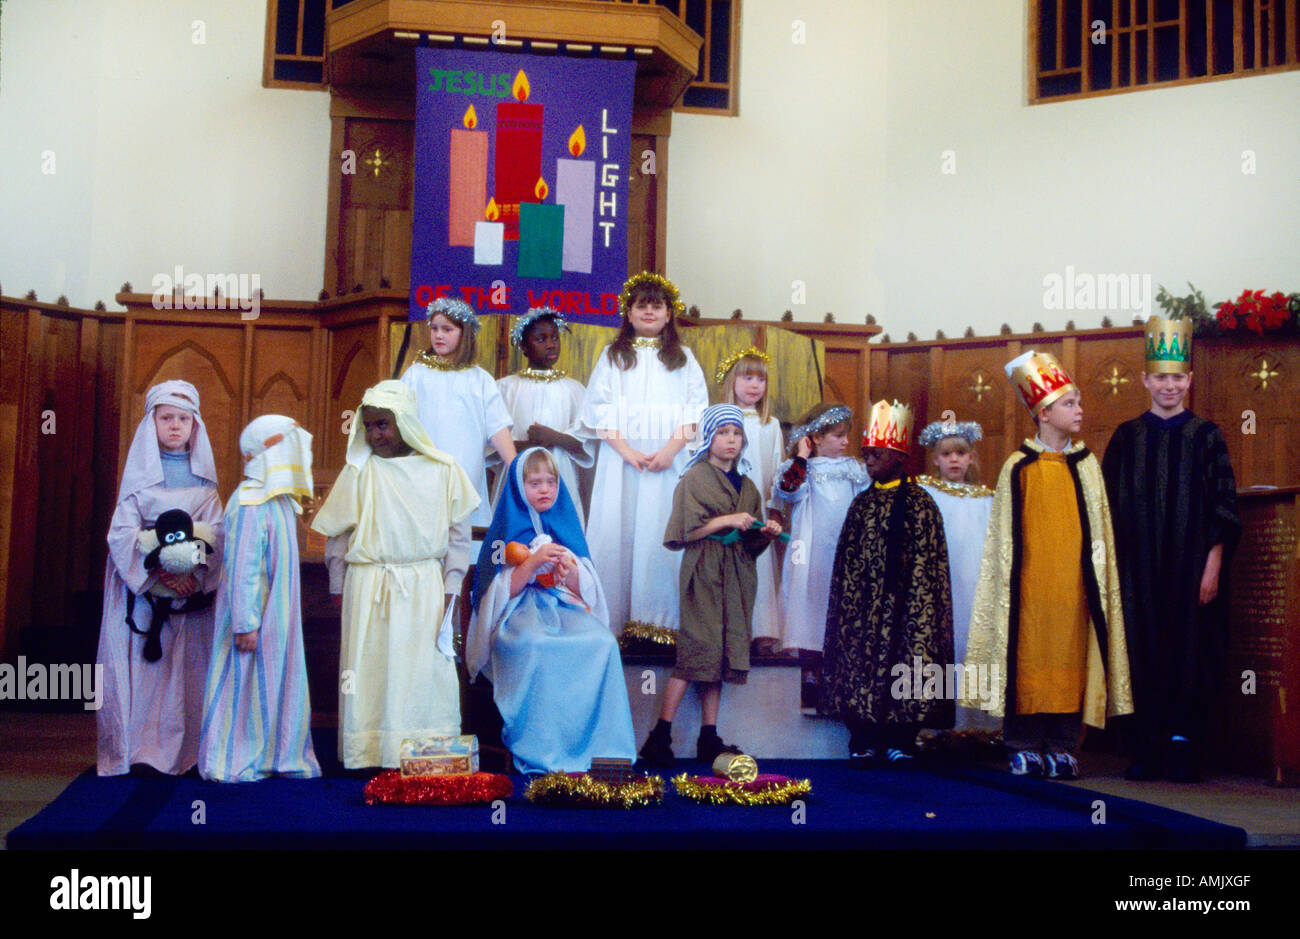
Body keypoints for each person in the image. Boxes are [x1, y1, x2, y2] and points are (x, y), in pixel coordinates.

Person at [962, 351, 1133, 779]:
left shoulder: (1088, 465)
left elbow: (1099, 533)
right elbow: (1004, 539)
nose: (1080, 410)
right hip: (1030, 589)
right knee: (1028, 658)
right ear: (1043, 412)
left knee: (1071, 659)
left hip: (1075, 589)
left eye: (1078, 402)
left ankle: (1062, 743)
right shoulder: (1017, 466)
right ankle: (1021, 742)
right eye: (1070, 403)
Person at [311, 381, 479, 769]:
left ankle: (424, 756)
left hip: (423, 585)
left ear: (405, 423)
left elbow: (458, 538)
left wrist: (451, 587)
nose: (375, 434)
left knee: (422, 673)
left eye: (383, 424)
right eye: (368, 426)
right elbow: (338, 537)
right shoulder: (360, 471)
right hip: (368, 585)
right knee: (370, 671)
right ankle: (369, 754)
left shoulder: (444, 470)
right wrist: (338, 587)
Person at [1103, 315, 1240, 782]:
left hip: (1190, 570)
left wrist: (1212, 566)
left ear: (1190, 380)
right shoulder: (1126, 437)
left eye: (1177, 377)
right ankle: (1145, 747)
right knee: (1141, 654)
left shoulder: (1207, 435)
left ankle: (1184, 748)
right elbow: (1107, 509)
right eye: (1160, 377)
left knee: (1189, 654)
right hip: (1137, 573)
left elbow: (1223, 505)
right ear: (1144, 379)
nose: (1169, 385)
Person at [466, 447, 635, 775]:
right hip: (517, 613)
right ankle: (544, 748)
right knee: (537, 645)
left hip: (564, 609)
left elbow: (585, 586)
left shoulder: (565, 524)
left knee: (602, 644)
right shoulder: (504, 535)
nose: (544, 490)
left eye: (551, 482)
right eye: (534, 483)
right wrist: (531, 564)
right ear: (518, 487)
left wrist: (567, 568)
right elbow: (495, 593)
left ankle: (603, 749)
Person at [639, 405, 783, 766]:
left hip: (735, 574)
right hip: (704, 569)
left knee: (719, 652)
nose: (731, 440)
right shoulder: (695, 479)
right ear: (708, 438)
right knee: (696, 649)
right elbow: (685, 532)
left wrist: (765, 533)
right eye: (722, 433)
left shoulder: (747, 485)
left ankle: (708, 736)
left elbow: (750, 544)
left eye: (736, 433)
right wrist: (726, 520)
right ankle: (660, 735)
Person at [96, 380, 223, 776]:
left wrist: (191, 573)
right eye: (166, 418)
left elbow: (216, 532)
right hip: (145, 593)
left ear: (194, 426)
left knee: (186, 673)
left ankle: (186, 751)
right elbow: (122, 534)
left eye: (183, 419)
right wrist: (160, 571)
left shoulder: (204, 485)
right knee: (146, 672)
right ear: (151, 423)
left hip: (190, 595)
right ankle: (140, 751)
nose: (174, 426)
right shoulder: (139, 480)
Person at [579, 272, 708, 644]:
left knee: (660, 533)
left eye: (657, 305)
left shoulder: (683, 359)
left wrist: (670, 451)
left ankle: (660, 621)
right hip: (623, 463)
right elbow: (599, 408)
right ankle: (615, 623)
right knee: (618, 532)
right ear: (629, 313)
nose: (649, 311)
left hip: (670, 463)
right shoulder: (613, 356)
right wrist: (626, 451)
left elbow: (696, 409)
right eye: (641, 305)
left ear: (669, 314)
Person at [822, 400, 954, 767]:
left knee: (910, 664)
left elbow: (931, 564)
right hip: (864, 608)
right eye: (866, 455)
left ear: (897, 456)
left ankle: (902, 739)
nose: (869, 461)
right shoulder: (861, 504)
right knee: (861, 664)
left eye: (877, 454)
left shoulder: (921, 503)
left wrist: (915, 602)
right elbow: (846, 563)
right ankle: (863, 739)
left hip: (910, 607)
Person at [198, 415, 321, 782]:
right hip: (255, 618)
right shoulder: (251, 502)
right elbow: (243, 567)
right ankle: (232, 758)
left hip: (277, 618)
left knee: (274, 680)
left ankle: (277, 755)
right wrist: (245, 623)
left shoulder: (278, 502)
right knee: (243, 682)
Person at [769, 403, 870, 704]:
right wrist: (802, 455)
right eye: (838, 436)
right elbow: (788, 491)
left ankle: (840, 677)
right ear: (815, 437)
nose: (845, 442)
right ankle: (810, 675)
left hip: (845, 550)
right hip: (811, 550)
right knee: (810, 603)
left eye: (846, 436)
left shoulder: (853, 468)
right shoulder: (802, 470)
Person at [400, 296, 515, 528]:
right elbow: (399, 419)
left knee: (464, 538)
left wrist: (516, 466)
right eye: (434, 328)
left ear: (465, 334)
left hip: (465, 473)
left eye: (447, 329)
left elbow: (497, 428)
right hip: (423, 474)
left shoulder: (480, 380)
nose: (438, 335)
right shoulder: (416, 375)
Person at [917, 419, 998, 734]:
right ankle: (936, 725)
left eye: (960, 454)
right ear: (936, 458)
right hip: (940, 586)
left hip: (974, 585)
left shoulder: (987, 499)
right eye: (947, 454)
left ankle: (976, 724)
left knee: (970, 645)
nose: (954, 460)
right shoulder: (925, 493)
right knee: (940, 648)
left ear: (971, 458)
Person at [715, 346, 785, 658]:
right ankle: (726, 630)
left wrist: (774, 509)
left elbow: (776, 469)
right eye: (747, 378)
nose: (755, 385)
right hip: (728, 507)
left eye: (761, 379)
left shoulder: (771, 424)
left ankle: (762, 631)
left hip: (759, 508)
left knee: (760, 567)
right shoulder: (719, 420)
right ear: (732, 380)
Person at [496, 306, 595, 525]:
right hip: (518, 471)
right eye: (540, 339)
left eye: (554, 338)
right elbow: (492, 439)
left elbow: (585, 443)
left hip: (561, 474)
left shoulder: (574, 390)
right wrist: (525, 446)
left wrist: (553, 437)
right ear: (524, 345)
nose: (550, 344)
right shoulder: (506, 388)